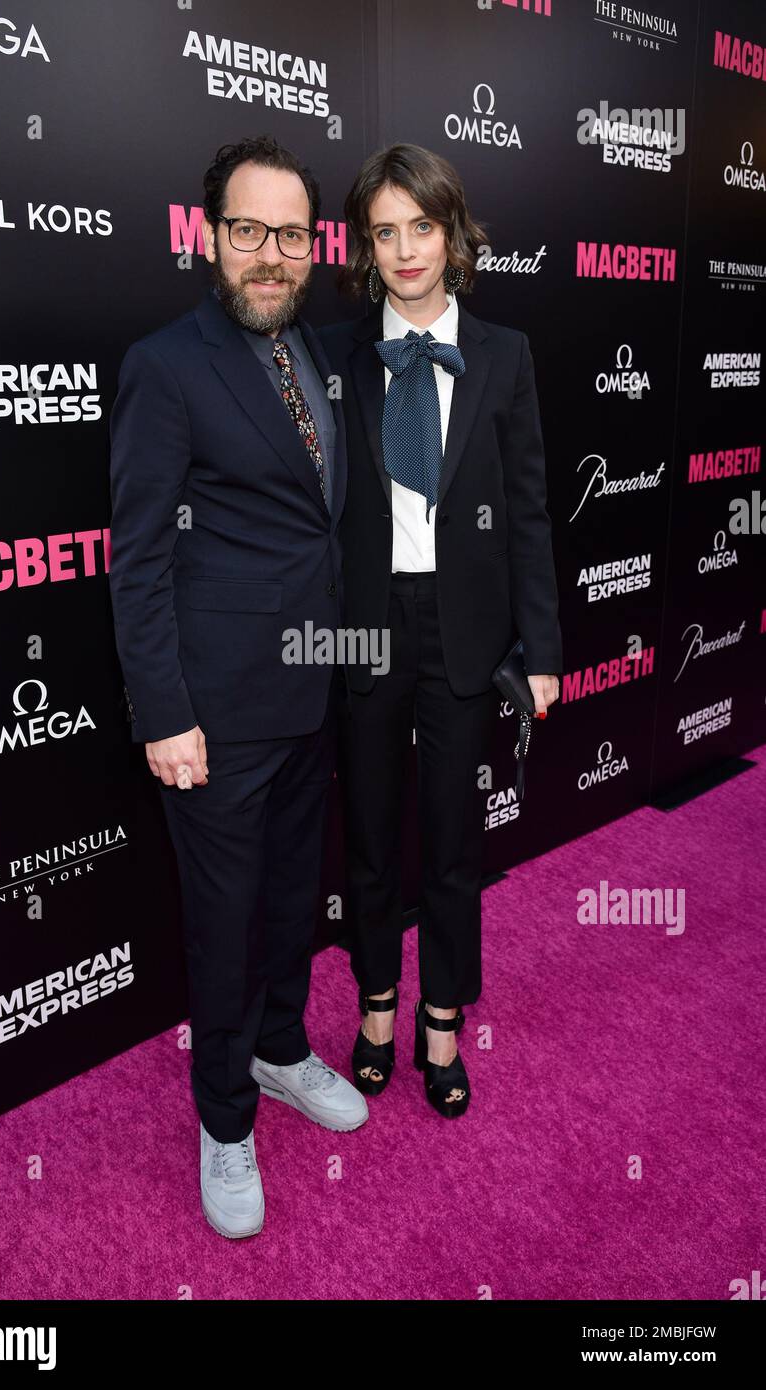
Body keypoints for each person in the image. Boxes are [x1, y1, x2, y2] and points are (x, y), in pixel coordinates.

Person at [108, 135, 367, 1241]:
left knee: (289, 901)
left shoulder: (316, 352)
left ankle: (277, 1048)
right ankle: (224, 1121)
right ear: (209, 237)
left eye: (291, 235)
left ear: (314, 247)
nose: (271, 255)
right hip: (213, 716)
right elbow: (139, 557)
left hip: (312, 695)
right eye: (249, 231)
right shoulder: (168, 365)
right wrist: (165, 712)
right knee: (221, 922)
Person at [319, 143, 562, 1119]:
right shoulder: (338, 353)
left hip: (466, 630)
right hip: (368, 629)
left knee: (454, 846)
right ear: (366, 247)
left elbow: (532, 508)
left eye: (423, 225)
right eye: (387, 230)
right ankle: (377, 1007)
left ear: (452, 232)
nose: (407, 248)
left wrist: (542, 649)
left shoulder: (504, 354)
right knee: (373, 841)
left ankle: (443, 1019)